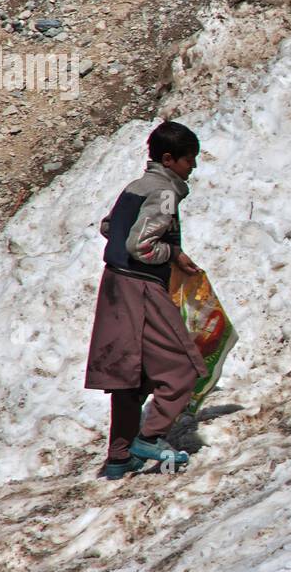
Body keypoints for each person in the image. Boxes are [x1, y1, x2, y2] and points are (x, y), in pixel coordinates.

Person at [84, 121, 207, 479]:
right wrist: (170, 253)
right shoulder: (165, 192)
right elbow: (141, 246)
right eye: (189, 160)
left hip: (115, 285)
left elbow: (111, 227)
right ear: (169, 159)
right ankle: (148, 437)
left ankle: (119, 457)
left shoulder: (135, 187)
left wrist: (173, 254)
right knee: (182, 368)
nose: (193, 167)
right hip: (141, 286)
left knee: (129, 376)